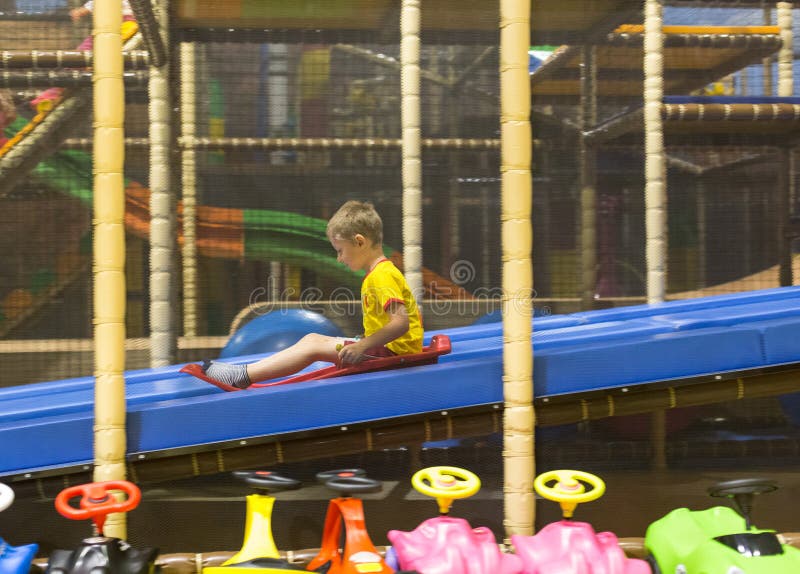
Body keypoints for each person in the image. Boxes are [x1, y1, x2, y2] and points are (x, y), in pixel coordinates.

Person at [199, 200, 424, 389]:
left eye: (340, 251)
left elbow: (400, 323)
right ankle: (243, 372)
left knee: (312, 347)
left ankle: (242, 377)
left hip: (392, 355)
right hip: (387, 350)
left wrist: (362, 346)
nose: (339, 259)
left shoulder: (382, 275)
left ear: (359, 241)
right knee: (312, 340)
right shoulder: (379, 273)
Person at [30, 0, 137, 111]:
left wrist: (82, 10)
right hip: (117, 24)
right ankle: (50, 95)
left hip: (117, 25)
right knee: (78, 60)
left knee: (78, 59)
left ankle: (49, 96)